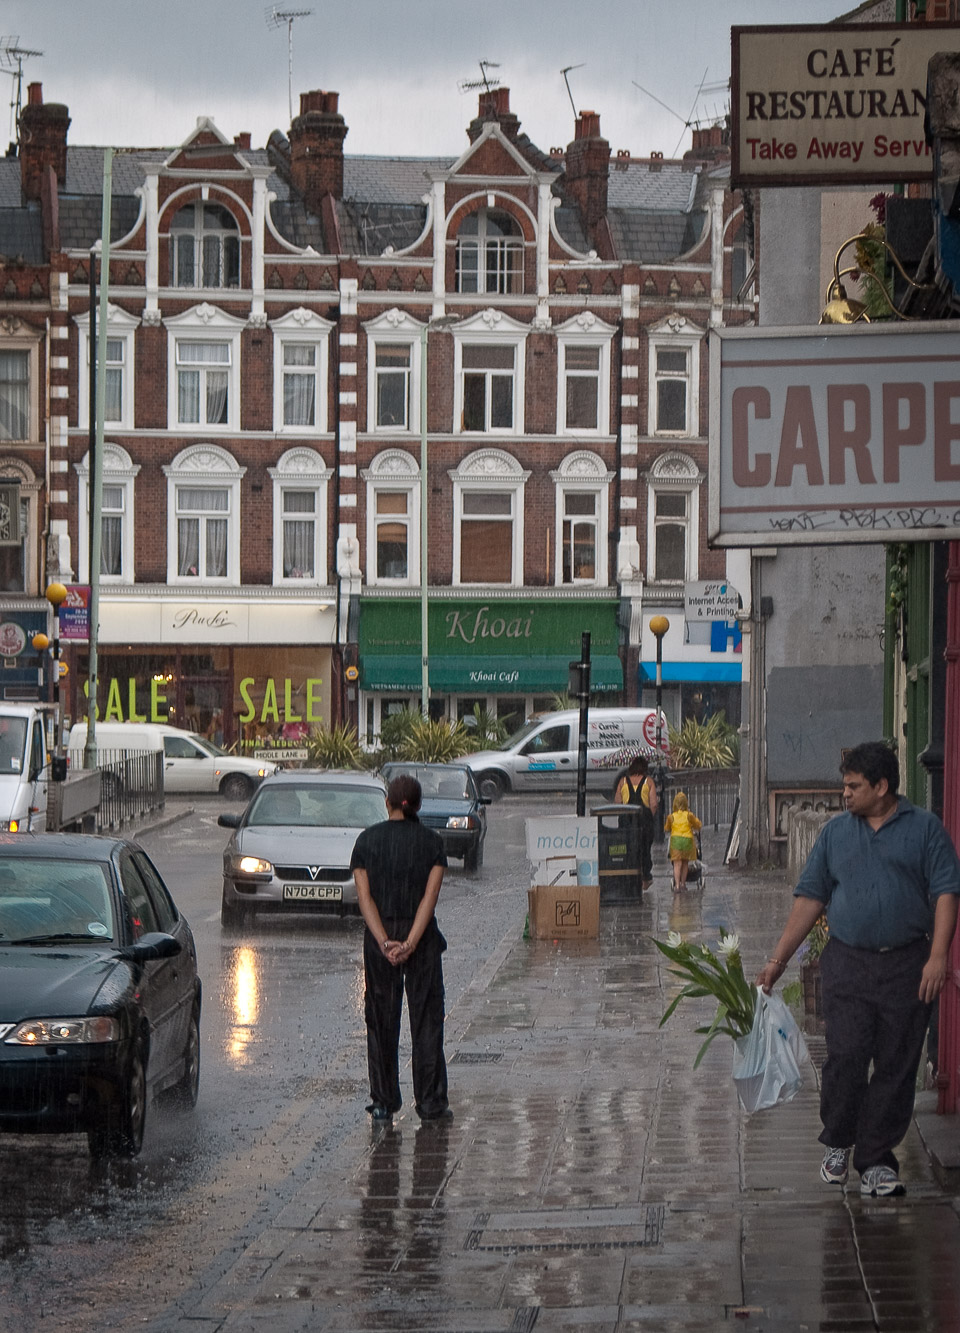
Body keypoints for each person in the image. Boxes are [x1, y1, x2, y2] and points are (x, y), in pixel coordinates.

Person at [756, 741, 960, 1199]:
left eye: (853, 786)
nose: (844, 794)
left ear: (882, 786)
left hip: (909, 964)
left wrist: (939, 955)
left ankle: (876, 1161)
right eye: (844, 785)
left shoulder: (925, 830)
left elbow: (947, 891)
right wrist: (777, 962)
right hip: (848, 962)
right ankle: (839, 1141)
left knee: (896, 1065)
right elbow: (810, 898)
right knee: (845, 1057)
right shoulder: (835, 835)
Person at [350, 774, 451, 1122]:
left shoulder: (366, 842)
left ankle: (383, 1101)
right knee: (426, 1019)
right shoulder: (433, 843)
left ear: (387, 803)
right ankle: (430, 1103)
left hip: (380, 938)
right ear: (418, 805)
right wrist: (410, 942)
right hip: (420, 940)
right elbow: (430, 898)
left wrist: (383, 942)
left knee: (380, 1019)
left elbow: (364, 898)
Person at [615, 755, 658, 890]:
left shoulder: (623, 781)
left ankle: (630, 875)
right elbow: (654, 804)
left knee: (628, 848)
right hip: (643, 819)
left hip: (626, 819)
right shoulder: (648, 781)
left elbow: (617, 802)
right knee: (644, 848)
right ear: (644, 768)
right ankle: (645, 878)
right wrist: (648, 817)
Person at [664, 791, 702, 891]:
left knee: (677, 864)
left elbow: (667, 828)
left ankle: (677, 885)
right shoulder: (689, 815)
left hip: (676, 841)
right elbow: (698, 825)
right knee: (685, 863)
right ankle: (683, 884)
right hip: (687, 841)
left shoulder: (671, 817)